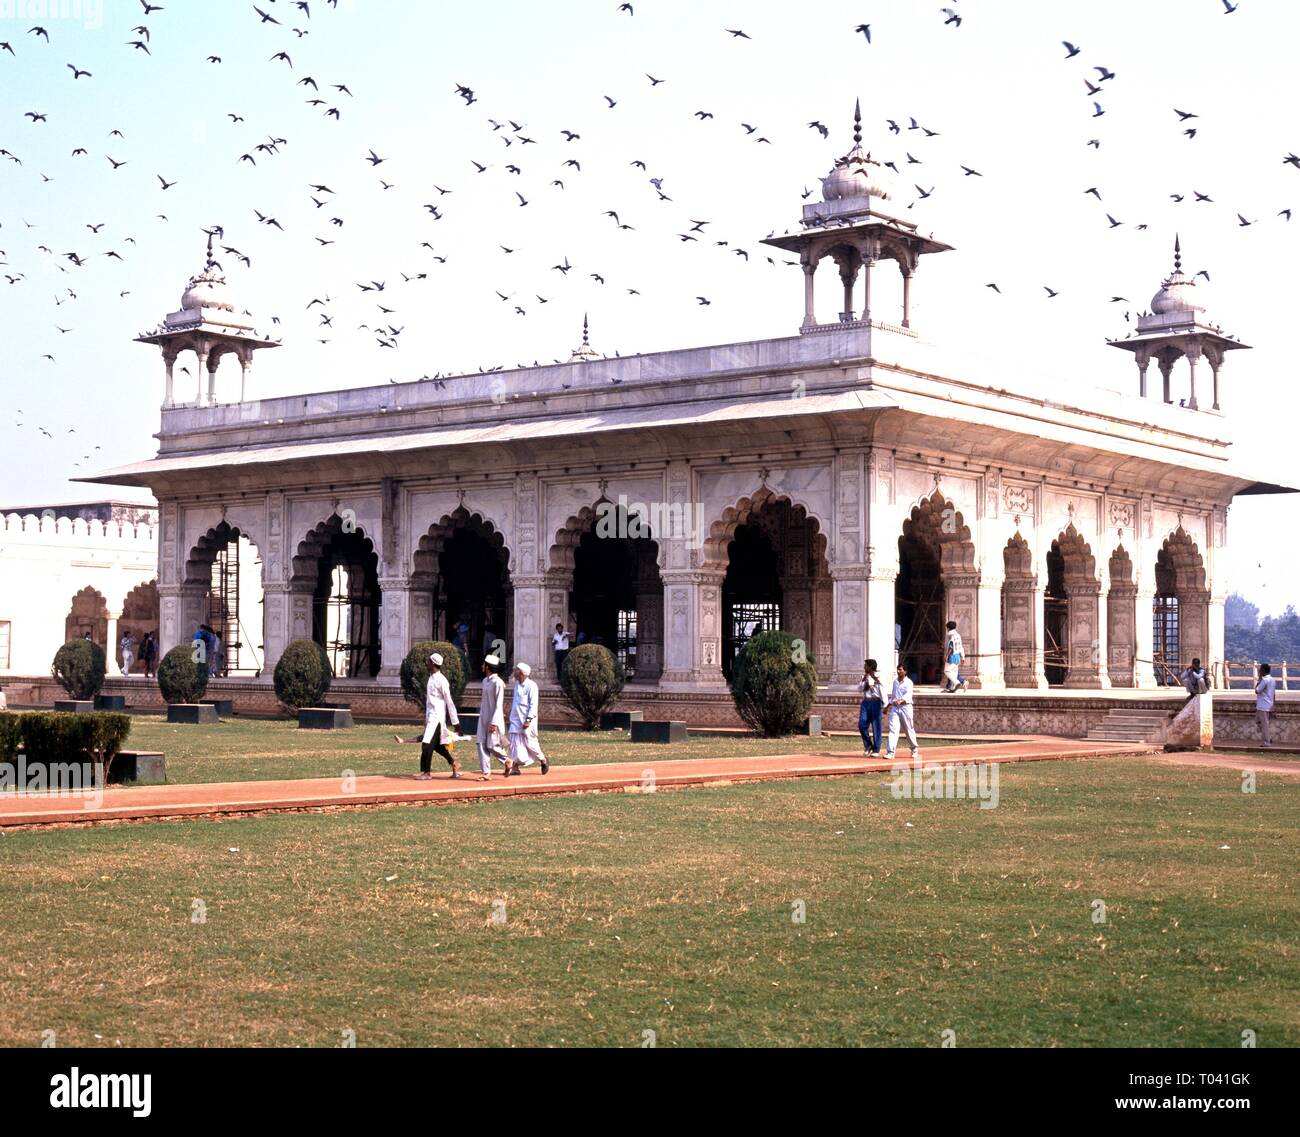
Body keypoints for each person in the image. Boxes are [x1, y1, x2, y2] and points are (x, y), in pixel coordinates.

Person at [396, 651, 462, 780]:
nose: (426, 663)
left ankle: (426, 773)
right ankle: (454, 763)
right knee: (436, 745)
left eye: (428, 661)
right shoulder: (431, 678)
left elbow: (449, 701)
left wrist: (456, 723)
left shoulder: (442, 680)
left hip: (437, 717)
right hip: (431, 716)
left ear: (433, 663)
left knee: (426, 743)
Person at [504, 662, 549, 777]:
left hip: (527, 721)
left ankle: (543, 760)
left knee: (530, 743)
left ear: (522, 673)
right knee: (514, 743)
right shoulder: (517, 685)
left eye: (516, 670)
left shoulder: (532, 686)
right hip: (515, 719)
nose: (514, 672)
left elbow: (533, 705)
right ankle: (515, 767)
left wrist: (528, 720)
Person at [475, 653, 508, 781]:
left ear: (488, 667)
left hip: (495, 718)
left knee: (492, 745)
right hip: (483, 717)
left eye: (484, 664)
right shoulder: (485, 681)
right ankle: (486, 773)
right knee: (480, 743)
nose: (482, 666)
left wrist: (494, 722)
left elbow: (499, 704)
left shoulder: (498, 682)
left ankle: (507, 760)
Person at [885, 663, 922, 761]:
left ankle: (914, 748)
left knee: (909, 729)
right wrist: (887, 706)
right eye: (898, 669)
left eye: (900, 670)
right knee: (893, 729)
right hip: (895, 708)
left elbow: (908, 695)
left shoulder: (909, 683)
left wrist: (901, 700)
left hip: (906, 708)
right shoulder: (895, 682)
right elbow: (893, 696)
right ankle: (890, 752)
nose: (898, 671)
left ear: (905, 672)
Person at [858, 659, 884, 757]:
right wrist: (864, 680)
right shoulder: (864, 677)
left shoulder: (879, 676)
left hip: (876, 702)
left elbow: (882, 689)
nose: (864, 668)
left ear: (870, 667)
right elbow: (859, 689)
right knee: (862, 724)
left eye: (866, 666)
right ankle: (868, 745)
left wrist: (884, 704)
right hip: (866, 702)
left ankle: (876, 749)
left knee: (876, 726)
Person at [1255, 663, 1277, 747]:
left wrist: (1259, 680)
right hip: (1268, 704)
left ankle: (1267, 742)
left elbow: (1257, 690)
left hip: (1263, 705)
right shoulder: (1272, 680)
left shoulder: (1264, 680)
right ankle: (1268, 737)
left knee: (1264, 724)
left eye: (1260, 669)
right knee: (1258, 721)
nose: (1259, 671)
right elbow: (1274, 693)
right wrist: (1273, 705)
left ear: (1263, 671)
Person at [941, 620, 967, 692]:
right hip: (957, 656)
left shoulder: (949, 635)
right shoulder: (958, 635)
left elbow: (950, 647)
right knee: (954, 673)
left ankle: (957, 683)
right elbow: (961, 646)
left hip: (951, 656)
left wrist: (946, 655)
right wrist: (963, 657)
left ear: (948, 628)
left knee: (947, 671)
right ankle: (952, 688)